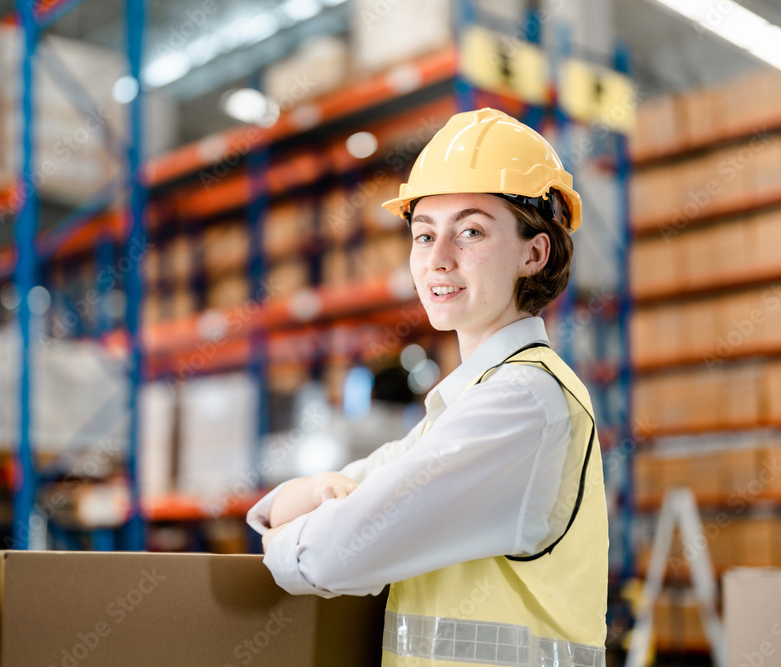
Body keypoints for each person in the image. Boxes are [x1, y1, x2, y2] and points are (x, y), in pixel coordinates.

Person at [247, 108, 608, 667]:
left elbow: (327, 556)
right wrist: (321, 495)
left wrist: (300, 535)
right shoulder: (464, 404)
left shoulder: (524, 403)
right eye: (423, 234)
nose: (438, 259)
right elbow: (282, 510)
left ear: (533, 254)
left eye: (471, 231)